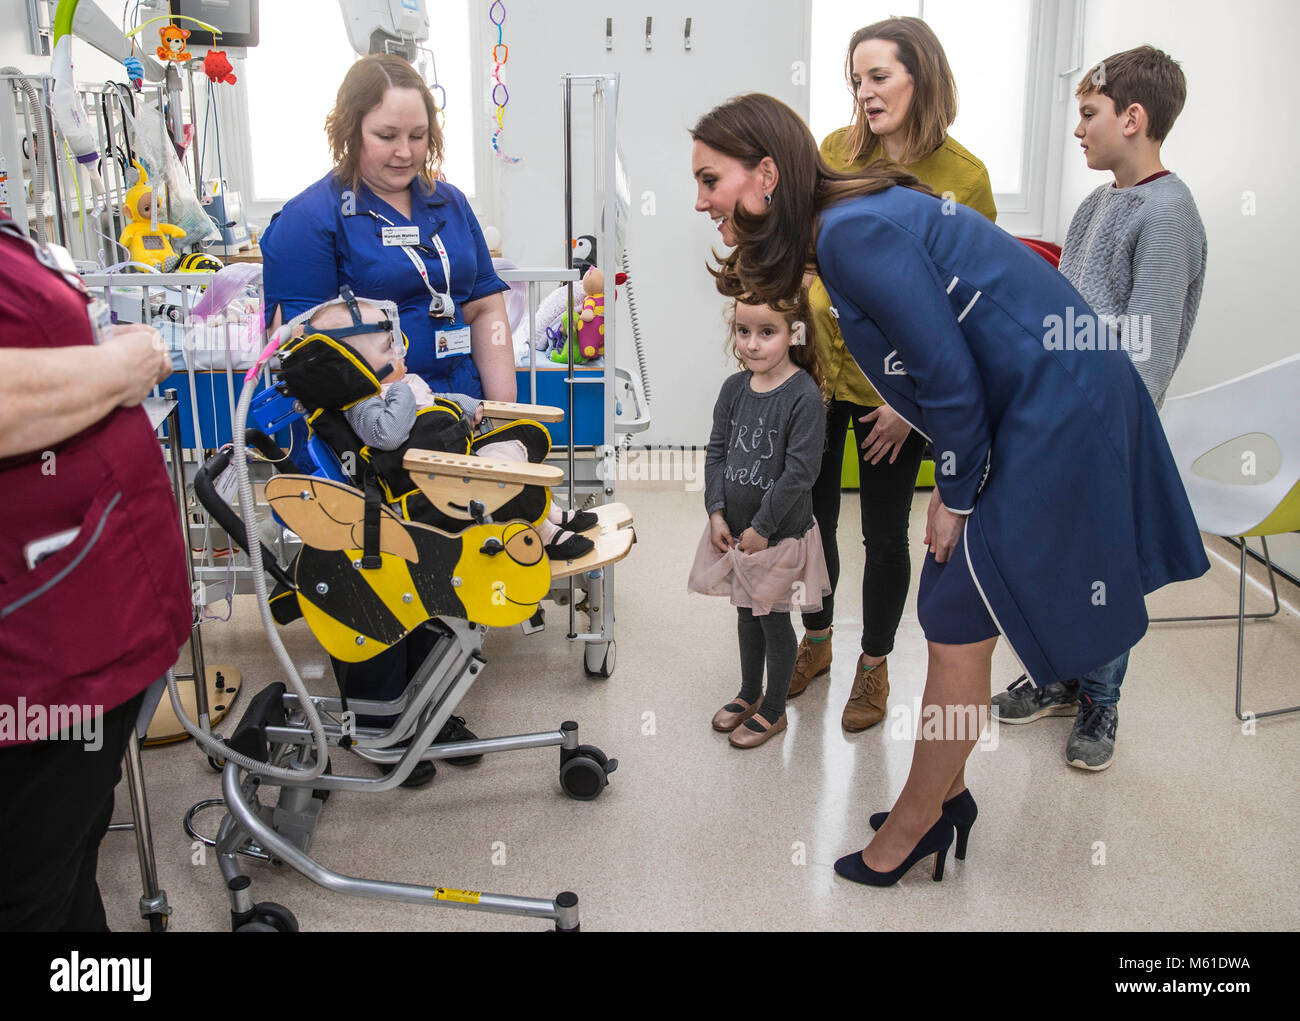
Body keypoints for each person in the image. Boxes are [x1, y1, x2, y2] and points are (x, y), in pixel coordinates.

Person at [689, 93, 1209, 885]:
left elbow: (949, 378)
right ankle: (946, 793)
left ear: (765, 172)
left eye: (708, 179)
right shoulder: (850, 220)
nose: (699, 201)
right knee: (949, 609)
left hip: (1055, 409)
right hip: (1037, 405)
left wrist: (955, 492)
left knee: (956, 614)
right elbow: (942, 362)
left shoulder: (855, 231)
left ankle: (919, 817)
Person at [260, 54, 517, 783]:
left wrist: (497, 413)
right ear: (350, 130)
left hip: (448, 412)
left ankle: (432, 706)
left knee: (444, 557)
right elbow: (304, 355)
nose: (404, 152)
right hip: (362, 431)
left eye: (417, 134)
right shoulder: (311, 222)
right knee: (375, 564)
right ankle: (381, 720)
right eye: (385, 136)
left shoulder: (448, 203)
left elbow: (484, 304)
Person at [991, 45, 1207, 771]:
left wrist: (1099, 436)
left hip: (1112, 429)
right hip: (1063, 417)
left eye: (1089, 115)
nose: (1079, 130)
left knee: (1105, 567)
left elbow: (1145, 350)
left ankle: (1100, 700)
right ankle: (1057, 673)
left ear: (1133, 117)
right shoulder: (1095, 205)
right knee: (1058, 559)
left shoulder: (1169, 213)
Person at [792, 16, 998, 734]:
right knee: (811, 523)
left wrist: (911, 409)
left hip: (900, 392)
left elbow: (965, 311)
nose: (865, 92)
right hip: (817, 375)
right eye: (856, 79)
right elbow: (809, 256)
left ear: (922, 74)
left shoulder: (964, 178)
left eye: (878, 75)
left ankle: (873, 666)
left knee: (885, 532)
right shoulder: (835, 153)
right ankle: (816, 641)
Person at [0, 213, 192, 929]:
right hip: (34, 652)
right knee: (32, 887)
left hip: (87, 624)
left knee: (71, 853)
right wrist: (123, 363)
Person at [307, 296, 597, 558]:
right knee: (506, 476)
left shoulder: (395, 386)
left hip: (452, 465)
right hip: (430, 492)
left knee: (525, 436)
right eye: (388, 347)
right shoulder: (363, 404)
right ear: (355, 365)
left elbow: (434, 399)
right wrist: (401, 390)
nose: (400, 349)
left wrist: (467, 404)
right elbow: (388, 435)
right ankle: (546, 535)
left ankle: (550, 513)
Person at [687, 292, 830, 749]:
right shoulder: (734, 389)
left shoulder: (803, 395)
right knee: (746, 614)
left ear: (795, 334)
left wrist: (764, 527)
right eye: (744, 331)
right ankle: (749, 693)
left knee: (773, 620)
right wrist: (715, 511)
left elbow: (800, 473)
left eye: (767, 332)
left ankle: (773, 709)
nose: (751, 344)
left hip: (778, 536)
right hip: (737, 535)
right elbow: (715, 452)